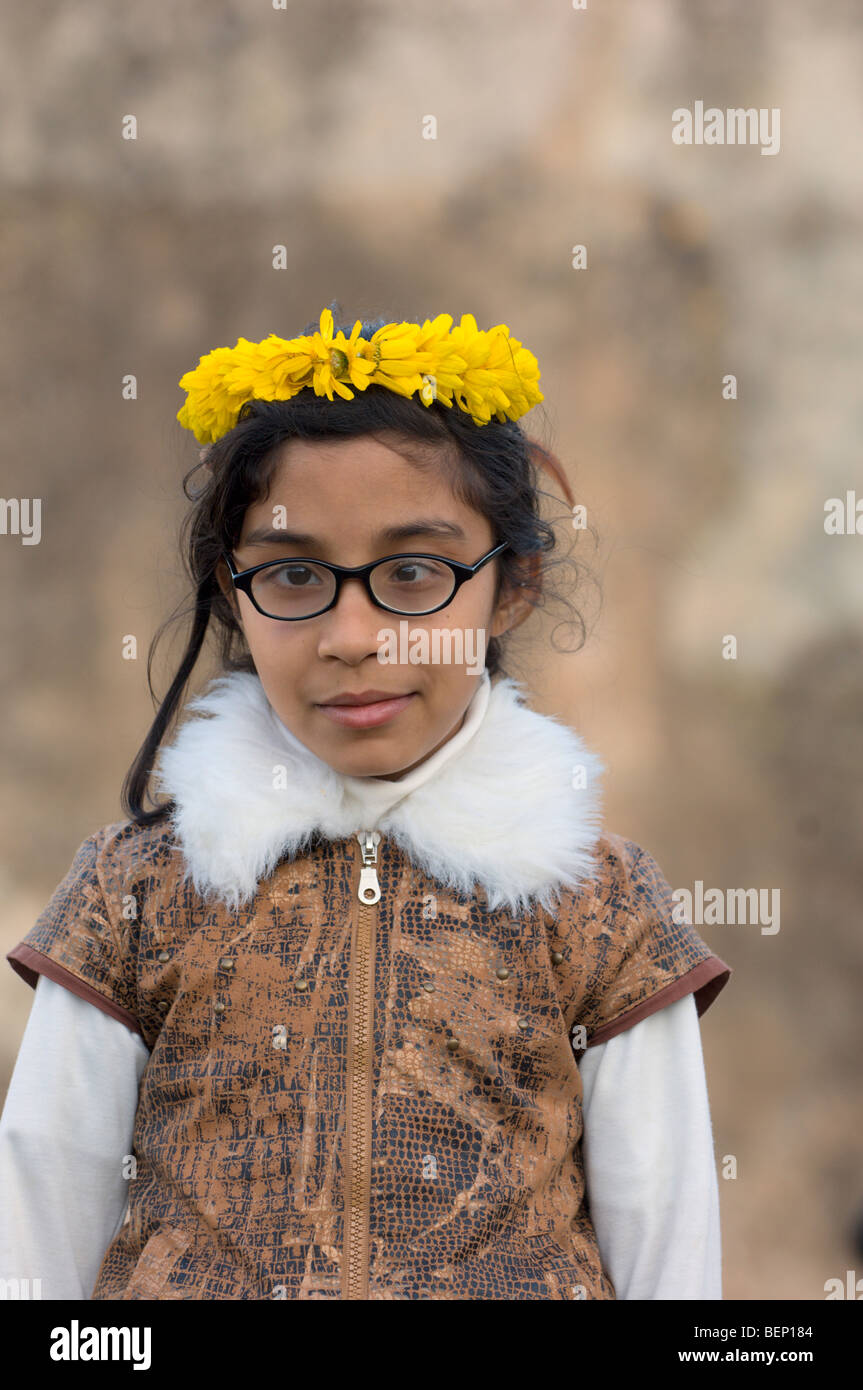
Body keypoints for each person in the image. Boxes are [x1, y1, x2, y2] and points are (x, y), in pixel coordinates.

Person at [0, 304, 731, 1301]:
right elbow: (41, 1221)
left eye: (414, 572)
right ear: (231, 587)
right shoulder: (136, 893)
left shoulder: (597, 904)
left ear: (510, 588)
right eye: (295, 573)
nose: (352, 634)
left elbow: (667, 1243)